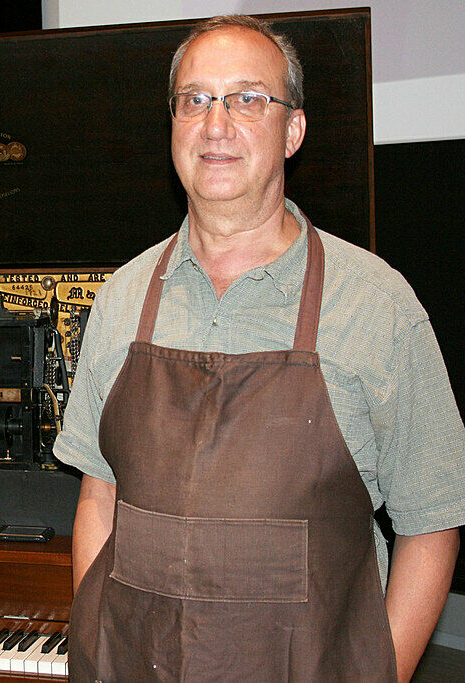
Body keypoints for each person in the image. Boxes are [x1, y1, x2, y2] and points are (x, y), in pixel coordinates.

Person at [54, 14, 464, 682]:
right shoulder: (121, 299)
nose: (216, 124)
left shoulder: (377, 306)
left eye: (248, 98)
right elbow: (99, 496)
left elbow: (433, 522)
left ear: (292, 130)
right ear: (174, 129)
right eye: (195, 100)